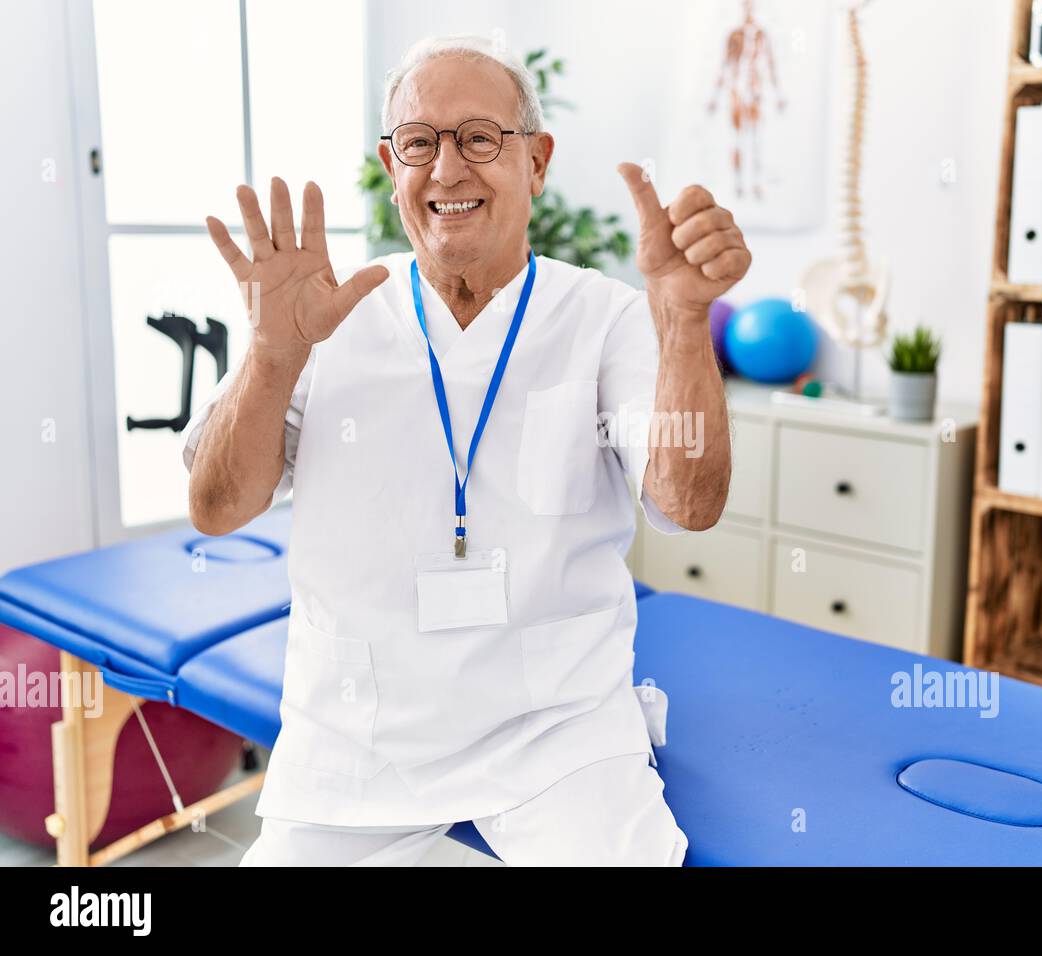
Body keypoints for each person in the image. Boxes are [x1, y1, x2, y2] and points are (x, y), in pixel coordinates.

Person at [182, 33, 750, 866]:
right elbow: (218, 508)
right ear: (391, 164)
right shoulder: (325, 316)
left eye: (480, 137)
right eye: (420, 143)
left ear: (537, 161)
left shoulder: (607, 318)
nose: (447, 171)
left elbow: (689, 505)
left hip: (558, 734)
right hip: (359, 735)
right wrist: (273, 355)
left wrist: (682, 320)